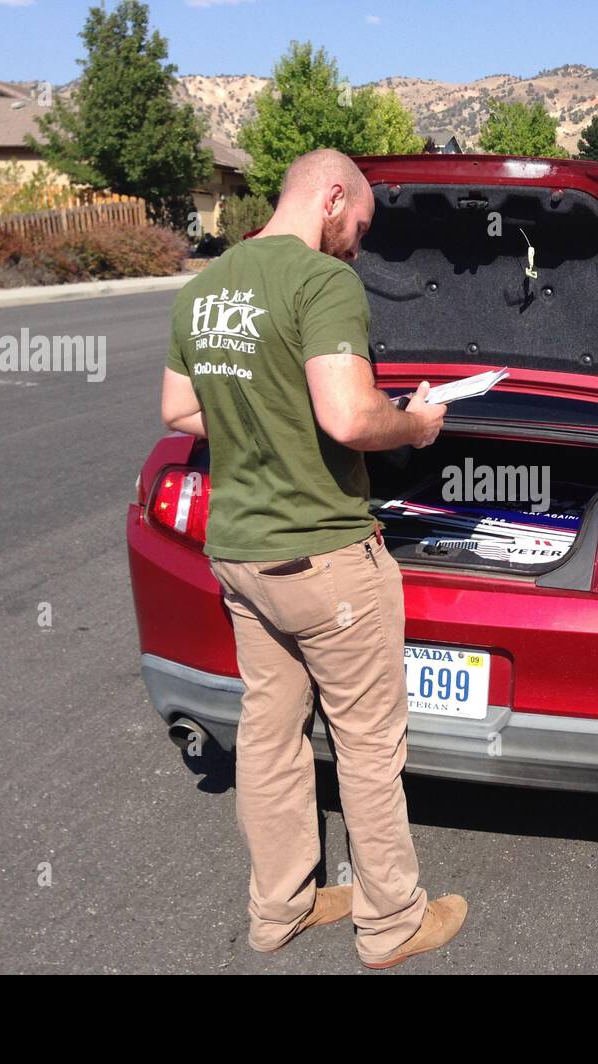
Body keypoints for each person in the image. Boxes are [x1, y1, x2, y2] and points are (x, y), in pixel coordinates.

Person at [160, 148, 467, 970]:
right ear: (332, 196)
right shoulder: (322, 283)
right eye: (358, 228)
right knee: (367, 745)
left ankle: (280, 909)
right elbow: (349, 419)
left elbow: (179, 406)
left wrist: (263, 419)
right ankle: (393, 921)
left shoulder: (205, 286)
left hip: (241, 559)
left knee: (269, 735)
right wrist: (417, 422)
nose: (357, 250)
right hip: (326, 560)